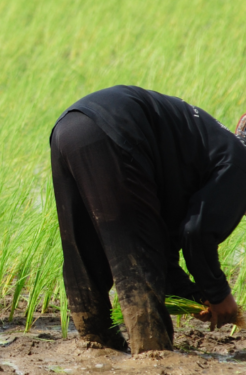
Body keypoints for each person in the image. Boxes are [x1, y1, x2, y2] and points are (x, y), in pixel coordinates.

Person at [50, 85, 244, 355]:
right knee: (135, 261)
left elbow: (163, 250)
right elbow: (197, 233)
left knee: (83, 251)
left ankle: (96, 346)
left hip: (68, 127)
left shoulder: (211, 150)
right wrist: (219, 294)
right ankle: (153, 354)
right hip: (116, 129)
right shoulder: (239, 163)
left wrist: (196, 297)